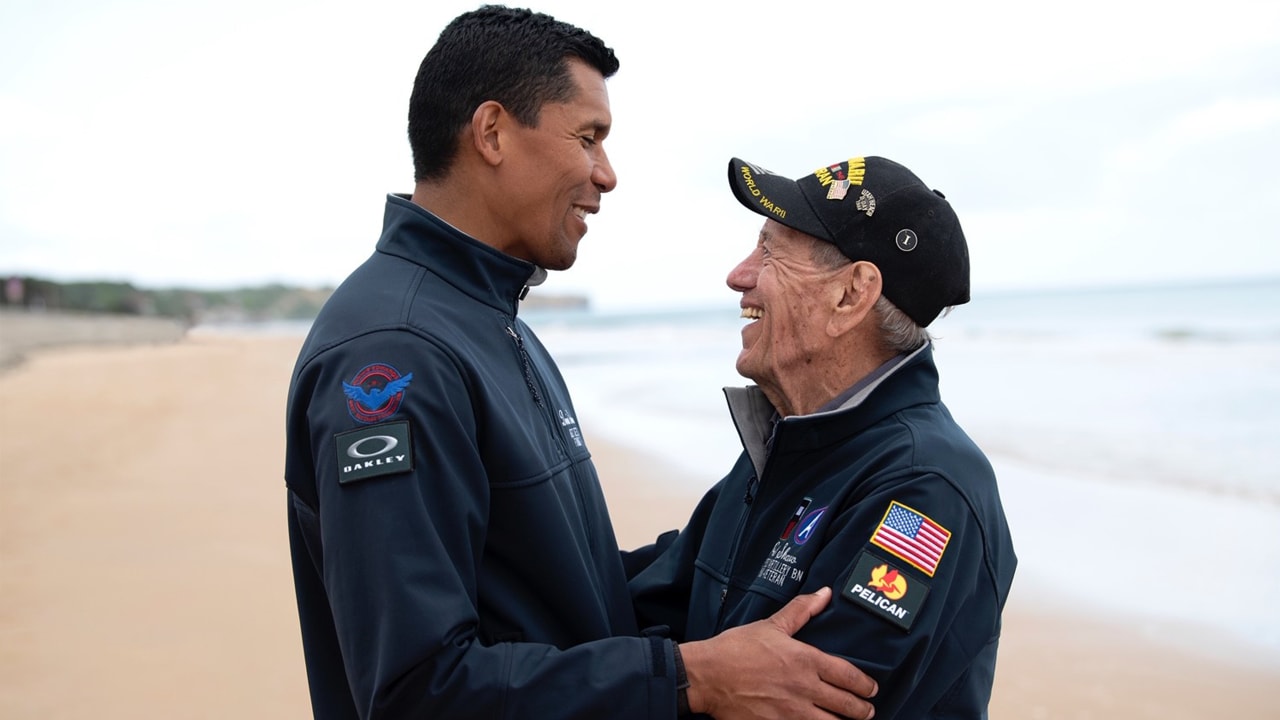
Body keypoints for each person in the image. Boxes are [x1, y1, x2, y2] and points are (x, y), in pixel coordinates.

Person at [283, 6, 878, 719]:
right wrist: (689, 678)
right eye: (589, 138)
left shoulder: (493, 323)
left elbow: (559, 589)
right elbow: (418, 690)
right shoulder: (394, 356)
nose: (608, 174)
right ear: (493, 132)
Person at [629, 155, 1018, 718]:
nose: (739, 276)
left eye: (768, 252)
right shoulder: (796, 441)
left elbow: (781, 704)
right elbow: (656, 593)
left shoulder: (924, 489)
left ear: (851, 295)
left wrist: (678, 680)